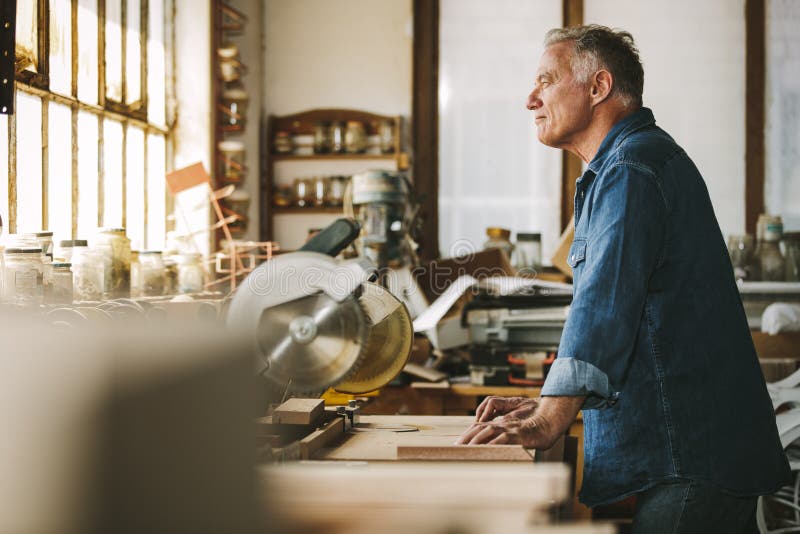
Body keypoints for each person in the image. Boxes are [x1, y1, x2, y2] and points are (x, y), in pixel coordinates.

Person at [456, 25, 789, 533]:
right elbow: (624, 315)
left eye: (546, 80)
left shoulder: (632, 168)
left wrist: (549, 419)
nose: (530, 98)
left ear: (598, 87)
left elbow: (602, 311)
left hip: (693, 459)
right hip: (697, 453)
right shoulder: (627, 164)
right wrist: (545, 402)